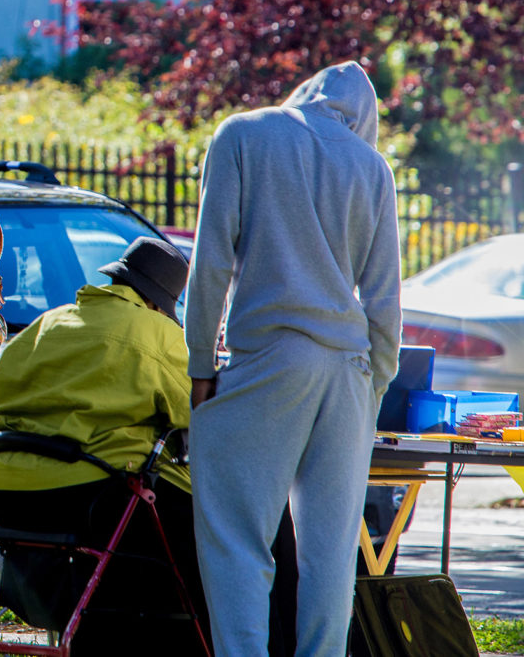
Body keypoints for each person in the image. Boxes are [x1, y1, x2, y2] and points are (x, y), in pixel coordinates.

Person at [185, 61, 401, 657]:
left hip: (268, 359)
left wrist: (201, 364)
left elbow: (211, 265)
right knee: (331, 553)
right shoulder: (372, 167)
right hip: (349, 369)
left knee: (236, 538)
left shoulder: (243, 134)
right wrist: (374, 385)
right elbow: (384, 297)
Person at [0, 236, 205, 652]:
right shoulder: (156, 332)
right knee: (208, 528)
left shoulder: (49, 322)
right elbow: (198, 414)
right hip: (89, 501)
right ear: (157, 303)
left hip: (8, 498)